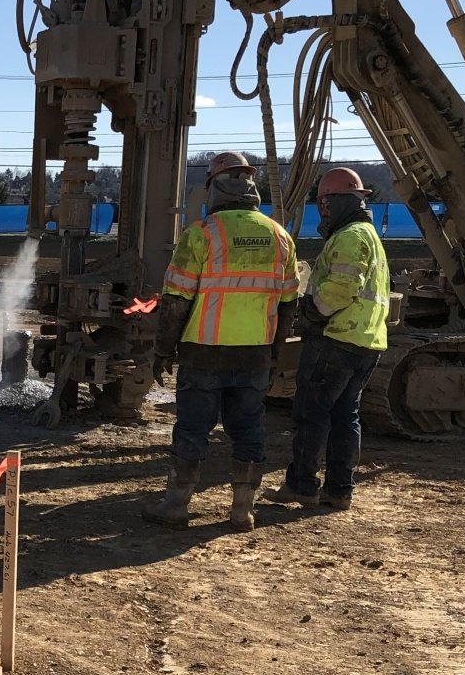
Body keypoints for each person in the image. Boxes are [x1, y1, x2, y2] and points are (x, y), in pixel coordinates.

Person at [144, 152, 300, 531]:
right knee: (249, 430)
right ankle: (243, 510)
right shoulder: (280, 237)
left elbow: (176, 302)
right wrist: (275, 355)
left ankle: (176, 505)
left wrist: (163, 350)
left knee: (192, 429)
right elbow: (288, 304)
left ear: (213, 187)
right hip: (255, 355)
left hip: (203, 354)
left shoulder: (201, 234)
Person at [266, 166, 390, 510]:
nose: (322, 210)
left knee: (311, 412)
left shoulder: (349, 236)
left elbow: (340, 289)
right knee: (344, 415)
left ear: (331, 201)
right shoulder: (369, 235)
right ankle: (339, 489)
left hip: (335, 339)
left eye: (323, 202)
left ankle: (302, 485)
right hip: (365, 341)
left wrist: (308, 313)